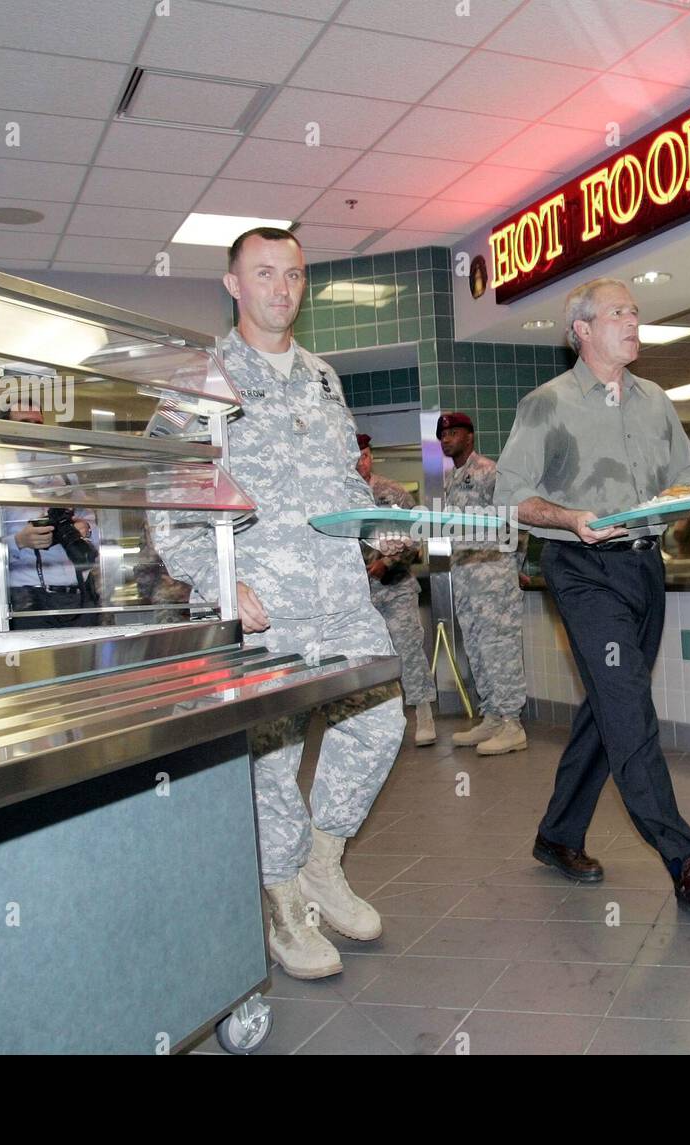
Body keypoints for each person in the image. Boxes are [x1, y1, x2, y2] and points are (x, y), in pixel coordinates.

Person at [148, 227, 405, 981]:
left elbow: (346, 486)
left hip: (341, 598)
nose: (281, 288)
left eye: (293, 274)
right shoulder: (202, 380)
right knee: (272, 754)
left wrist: (383, 526)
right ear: (233, 283)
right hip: (260, 606)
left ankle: (324, 861)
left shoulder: (323, 377)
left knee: (381, 723)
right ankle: (283, 897)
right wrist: (219, 580)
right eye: (264, 273)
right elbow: (167, 501)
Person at [494, 276, 690, 914]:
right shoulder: (546, 403)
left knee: (609, 707)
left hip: (644, 569)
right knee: (630, 708)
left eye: (635, 312)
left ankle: (557, 836)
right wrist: (572, 518)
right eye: (618, 313)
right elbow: (510, 497)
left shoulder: (655, 399)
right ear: (581, 330)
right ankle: (686, 862)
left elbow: (685, 476)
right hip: (581, 568)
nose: (633, 321)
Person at [0, 398, 97, 630]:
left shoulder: (65, 476)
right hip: (29, 602)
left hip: (81, 597)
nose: (32, 431)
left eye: (38, 423)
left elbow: (97, 540)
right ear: (3, 429)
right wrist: (19, 542)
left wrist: (85, 530)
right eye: (24, 423)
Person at [438, 411, 528, 756]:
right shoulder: (450, 479)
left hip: (493, 576)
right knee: (477, 647)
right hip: (464, 577)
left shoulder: (490, 472)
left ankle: (512, 723)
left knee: (499, 647)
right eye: (443, 435)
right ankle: (491, 716)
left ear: (470, 436)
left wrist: (513, 565)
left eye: (453, 433)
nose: (446, 439)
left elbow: (517, 520)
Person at [356, 432, 437, 746]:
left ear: (371, 456)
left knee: (408, 650)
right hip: (358, 595)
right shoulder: (341, 495)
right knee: (367, 659)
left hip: (396, 588)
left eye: (365, 455)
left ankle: (424, 715)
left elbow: (414, 537)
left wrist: (387, 562)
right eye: (355, 456)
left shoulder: (393, 493)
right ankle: (378, 725)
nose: (360, 462)